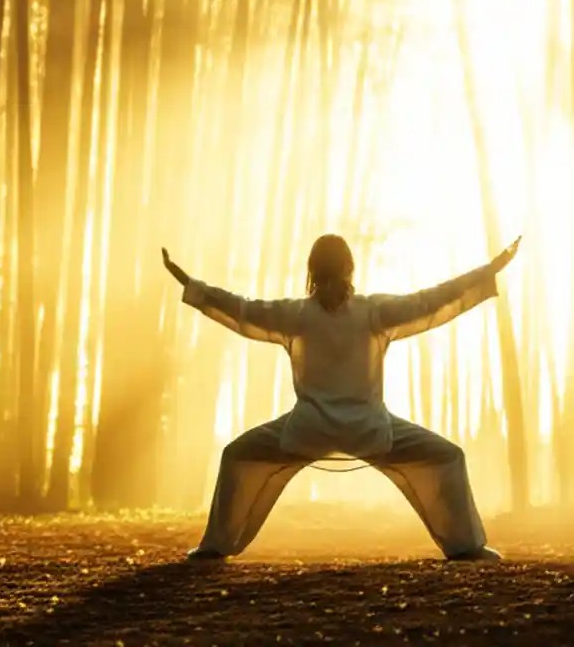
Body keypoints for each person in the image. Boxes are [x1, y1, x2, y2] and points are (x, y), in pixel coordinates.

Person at [162, 233, 521, 561]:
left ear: (312, 271)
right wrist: (489, 271)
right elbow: (434, 299)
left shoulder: (297, 314)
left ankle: (214, 548)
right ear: (350, 268)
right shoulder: (373, 311)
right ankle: (468, 547)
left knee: (236, 455)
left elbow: (240, 309)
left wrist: (191, 286)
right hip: (371, 430)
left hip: (307, 430)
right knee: (448, 457)